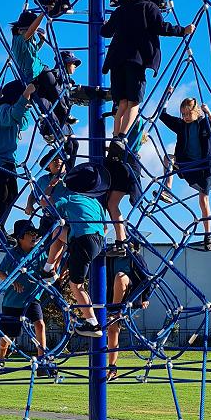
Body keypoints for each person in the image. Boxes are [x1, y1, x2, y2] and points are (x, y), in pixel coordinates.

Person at [102, 0, 195, 152]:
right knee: (134, 101)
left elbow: (105, 32)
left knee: (121, 101)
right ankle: (122, 137)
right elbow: (161, 27)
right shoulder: (149, 7)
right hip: (136, 60)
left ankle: (115, 135)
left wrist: (106, 23)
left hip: (115, 60)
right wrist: (183, 30)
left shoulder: (120, 11)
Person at [41, 163, 109, 338]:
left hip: (83, 240)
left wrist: (51, 186)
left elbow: (44, 201)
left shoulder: (70, 197)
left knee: (75, 285)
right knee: (59, 232)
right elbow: (106, 227)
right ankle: (49, 269)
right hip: (98, 240)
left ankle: (93, 323)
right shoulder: (96, 203)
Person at [0, 221, 55, 378]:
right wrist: (13, 281)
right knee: (7, 336)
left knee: (40, 324)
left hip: (32, 298)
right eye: (30, 234)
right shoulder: (13, 253)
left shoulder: (39, 254)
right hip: (13, 301)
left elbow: (48, 269)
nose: (34, 236)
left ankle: (41, 360)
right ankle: (1, 360)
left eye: (35, 234)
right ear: (20, 238)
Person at [159, 97, 211, 250]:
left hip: (203, 168)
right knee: (168, 159)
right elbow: (163, 115)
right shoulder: (181, 125)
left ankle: (208, 236)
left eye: (188, 114)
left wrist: (209, 113)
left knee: (204, 201)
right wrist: (168, 96)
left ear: (196, 112)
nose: (185, 117)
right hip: (186, 164)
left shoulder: (202, 123)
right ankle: (167, 190)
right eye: (183, 114)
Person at [0, 80, 37, 242]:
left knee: (12, 194)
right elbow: (12, 117)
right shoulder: (3, 110)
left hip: (7, 160)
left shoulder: (13, 110)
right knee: (3, 192)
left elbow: (24, 124)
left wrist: (25, 104)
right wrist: (25, 96)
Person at [105, 241, 152, 381]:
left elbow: (147, 278)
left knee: (120, 276)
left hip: (128, 296)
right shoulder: (110, 257)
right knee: (112, 331)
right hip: (110, 296)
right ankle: (112, 368)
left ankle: (114, 312)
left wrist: (145, 298)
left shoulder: (135, 257)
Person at [105, 114, 146, 251]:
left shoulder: (133, 123)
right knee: (108, 203)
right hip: (120, 166)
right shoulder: (129, 128)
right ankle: (121, 237)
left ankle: (122, 239)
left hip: (125, 166)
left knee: (111, 203)